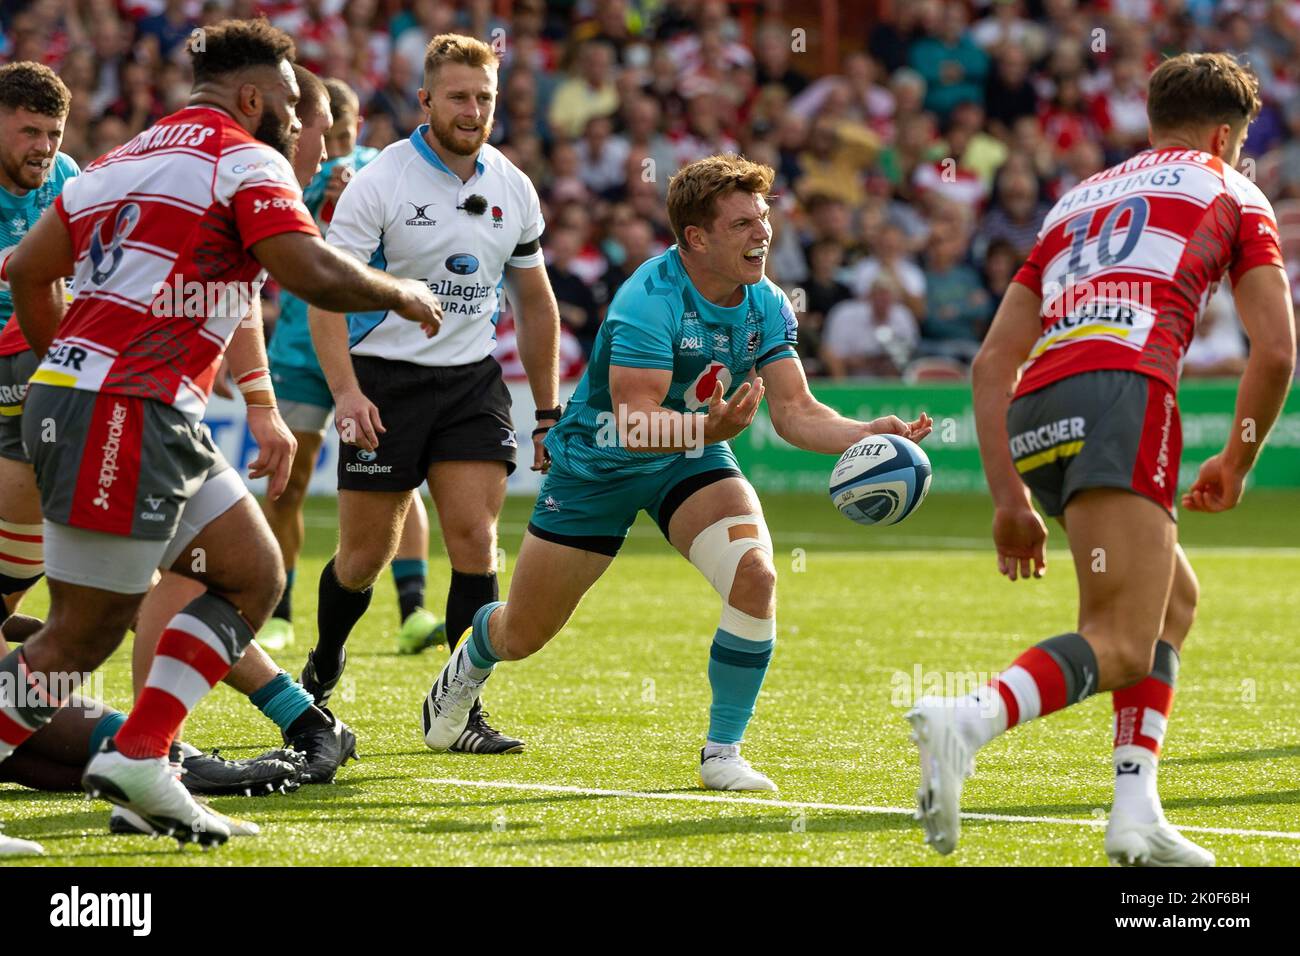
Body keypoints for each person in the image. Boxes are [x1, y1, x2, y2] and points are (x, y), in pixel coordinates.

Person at [0, 18, 440, 852]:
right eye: (286, 97)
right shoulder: (246, 157)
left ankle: (140, 761)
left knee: (251, 574)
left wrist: (68, 359)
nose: (295, 111)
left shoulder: (117, 158)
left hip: (131, 405)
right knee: (82, 632)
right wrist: (399, 292)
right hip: (123, 407)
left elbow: (27, 269)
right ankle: (130, 756)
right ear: (252, 96)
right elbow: (306, 270)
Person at [420, 153, 932, 791]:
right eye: (743, 222)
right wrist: (706, 429)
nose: (763, 233)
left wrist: (864, 433)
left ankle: (722, 754)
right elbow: (634, 423)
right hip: (599, 462)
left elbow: (796, 411)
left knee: (755, 574)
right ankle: (470, 661)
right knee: (522, 634)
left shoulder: (767, 303)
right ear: (697, 238)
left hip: (690, 456)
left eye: (764, 218)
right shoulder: (649, 295)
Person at [908, 52, 1295, 866]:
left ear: (1151, 121)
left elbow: (989, 366)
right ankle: (966, 721)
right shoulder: (1233, 189)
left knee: (1172, 604)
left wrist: (1009, 498)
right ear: (1225, 136)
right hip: (1125, 394)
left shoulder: (1074, 201)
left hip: (1038, 407)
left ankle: (1134, 809)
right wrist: (1240, 457)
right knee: (1119, 639)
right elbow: (1276, 352)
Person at [304, 34, 561, 755]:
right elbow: (322, 292)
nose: (473, 109)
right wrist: (347, 392)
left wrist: (545, 412)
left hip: (472, 384)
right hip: (386, 384)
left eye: (484, 96)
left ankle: (456, 714)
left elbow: (535, 302)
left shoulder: (512, 184)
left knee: (477, 541)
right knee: (362, 558)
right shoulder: (380, 180)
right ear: (425, 101)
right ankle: (322, 670)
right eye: (458, 96)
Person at [262, 75, 442, 656]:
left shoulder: (383, 171)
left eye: (346, 134)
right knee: (285, 482)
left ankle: (414, 610)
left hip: (366, 347)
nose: (338, 149)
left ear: (357, 125)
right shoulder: (287, 173)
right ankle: (278, 610)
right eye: (326, 136)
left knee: (394, 476)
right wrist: (320, 196)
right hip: (297, 347)